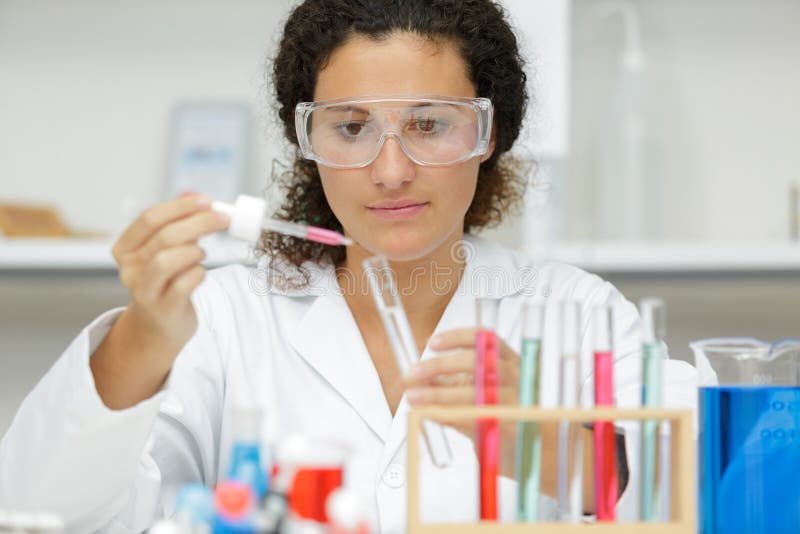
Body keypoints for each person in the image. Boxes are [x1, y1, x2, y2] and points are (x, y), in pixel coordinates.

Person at [0, 1, 698, 532]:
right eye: (351, 127)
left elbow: (716, 497)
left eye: (429, 123)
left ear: (490, 134)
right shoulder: (224, 319)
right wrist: (145, 337)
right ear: (309, 139)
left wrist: (540, 441)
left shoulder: (579, 314)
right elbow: (44, 514)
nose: (390, 170)